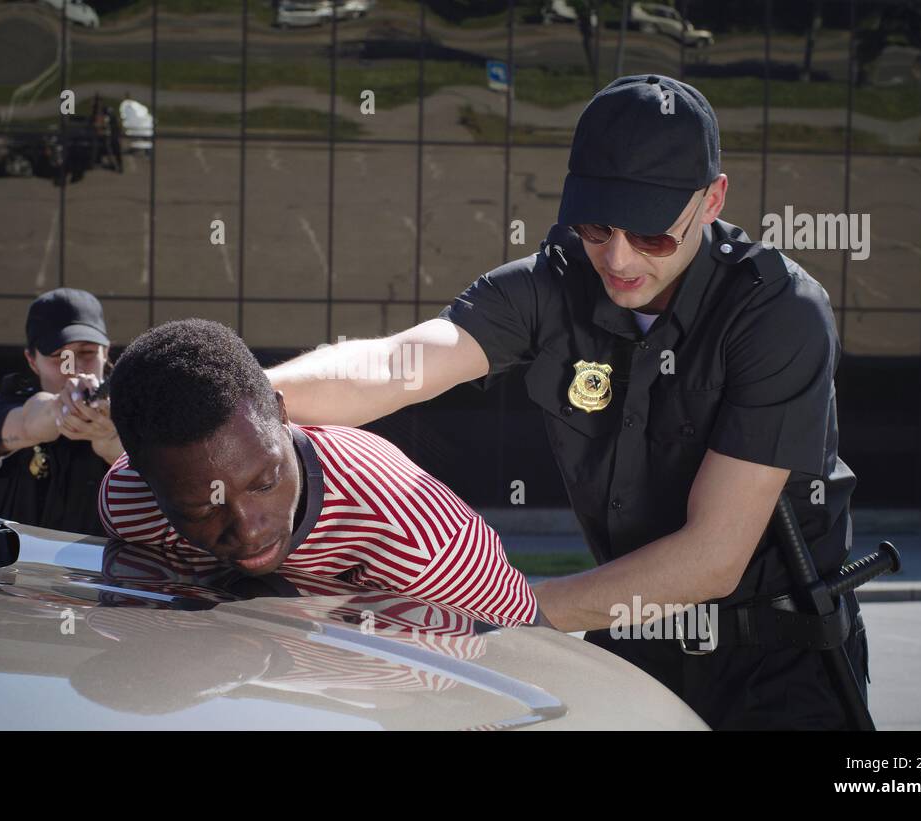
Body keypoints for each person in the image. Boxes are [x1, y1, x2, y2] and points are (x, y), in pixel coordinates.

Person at [262, 74, 868, 730]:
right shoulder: (553, 282)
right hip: (634, 639)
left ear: (712, 198)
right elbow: (396, 365)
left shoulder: (777, 312)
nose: (618, 256)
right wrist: (241, 405)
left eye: (652, 236)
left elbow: (712, 555)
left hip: (779, 666)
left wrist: (522, 611)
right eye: (595, 224)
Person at [96, 319, 542, 628]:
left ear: (280, 412)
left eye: (265, 481)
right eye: (201, 508)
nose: (249, 532)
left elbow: (528, 652)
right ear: (146, 477)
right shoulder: (127, 504)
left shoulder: (425, 538)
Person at [0, 288, 123, 537]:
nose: (74, 368)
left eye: (87, 353)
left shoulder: (134, 416)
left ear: (105, 352)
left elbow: (148, 470)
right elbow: (28, 421)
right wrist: (59, 409)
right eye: (58, 356)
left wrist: (109, 438)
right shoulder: (3, 407)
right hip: (13, 573)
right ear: (32, 360)